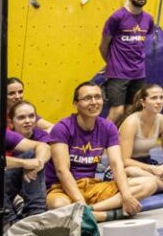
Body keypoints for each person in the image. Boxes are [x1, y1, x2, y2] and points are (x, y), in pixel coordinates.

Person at [45, 81, 154, 218]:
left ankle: (89, 212)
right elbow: (62, 171)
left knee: (149, 183)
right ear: (75, 104)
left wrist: (126, 196)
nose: (94, 102)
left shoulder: (108, 127)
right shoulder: (62, 128)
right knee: (58, 206)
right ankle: (107, 215)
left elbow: (116, 163)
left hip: (92, 186)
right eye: (87, 98)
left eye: (97, 97)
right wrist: (79, 201)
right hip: (61, 188)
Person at [100, 0, 157, 124]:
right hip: (118, 73)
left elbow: (143, 42)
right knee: (117, 112)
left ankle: (117, 141)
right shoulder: (117, 17)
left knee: (132, 111)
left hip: (138, 73)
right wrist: (111, 63)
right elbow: (103, 45)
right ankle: (99, 142)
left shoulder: (148, 19)